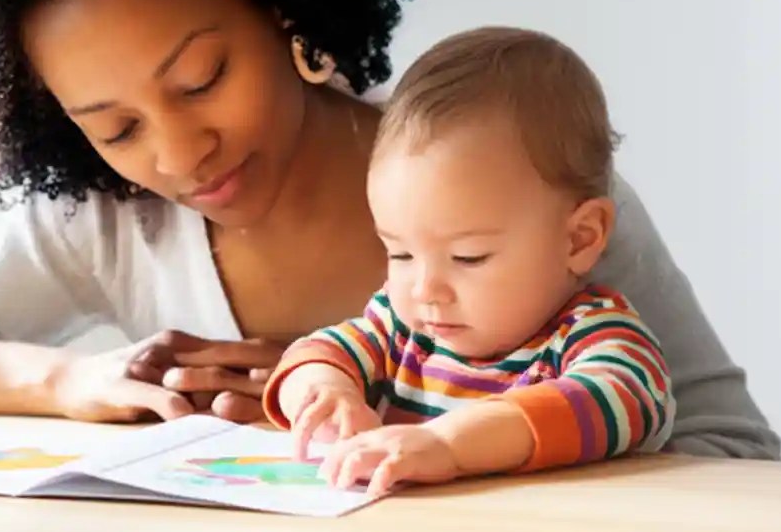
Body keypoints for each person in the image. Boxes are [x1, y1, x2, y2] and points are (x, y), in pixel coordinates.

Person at [0, 0, 779, 460]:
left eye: (203, 80)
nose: (178, 155)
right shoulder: (110, 225)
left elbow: (731, 450)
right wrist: (70, 380)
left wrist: (446, 437)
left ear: (283, 6)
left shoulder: (513, 182)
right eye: (114, 127)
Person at [264, 27, 674, 496]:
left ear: (579, 239)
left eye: (468, 257)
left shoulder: (595, 337)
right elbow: (312, 353)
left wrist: (448, 444)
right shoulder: (402, 332)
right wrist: (325, 392)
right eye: (400, 253)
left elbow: (611, 400)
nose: (425, 289)